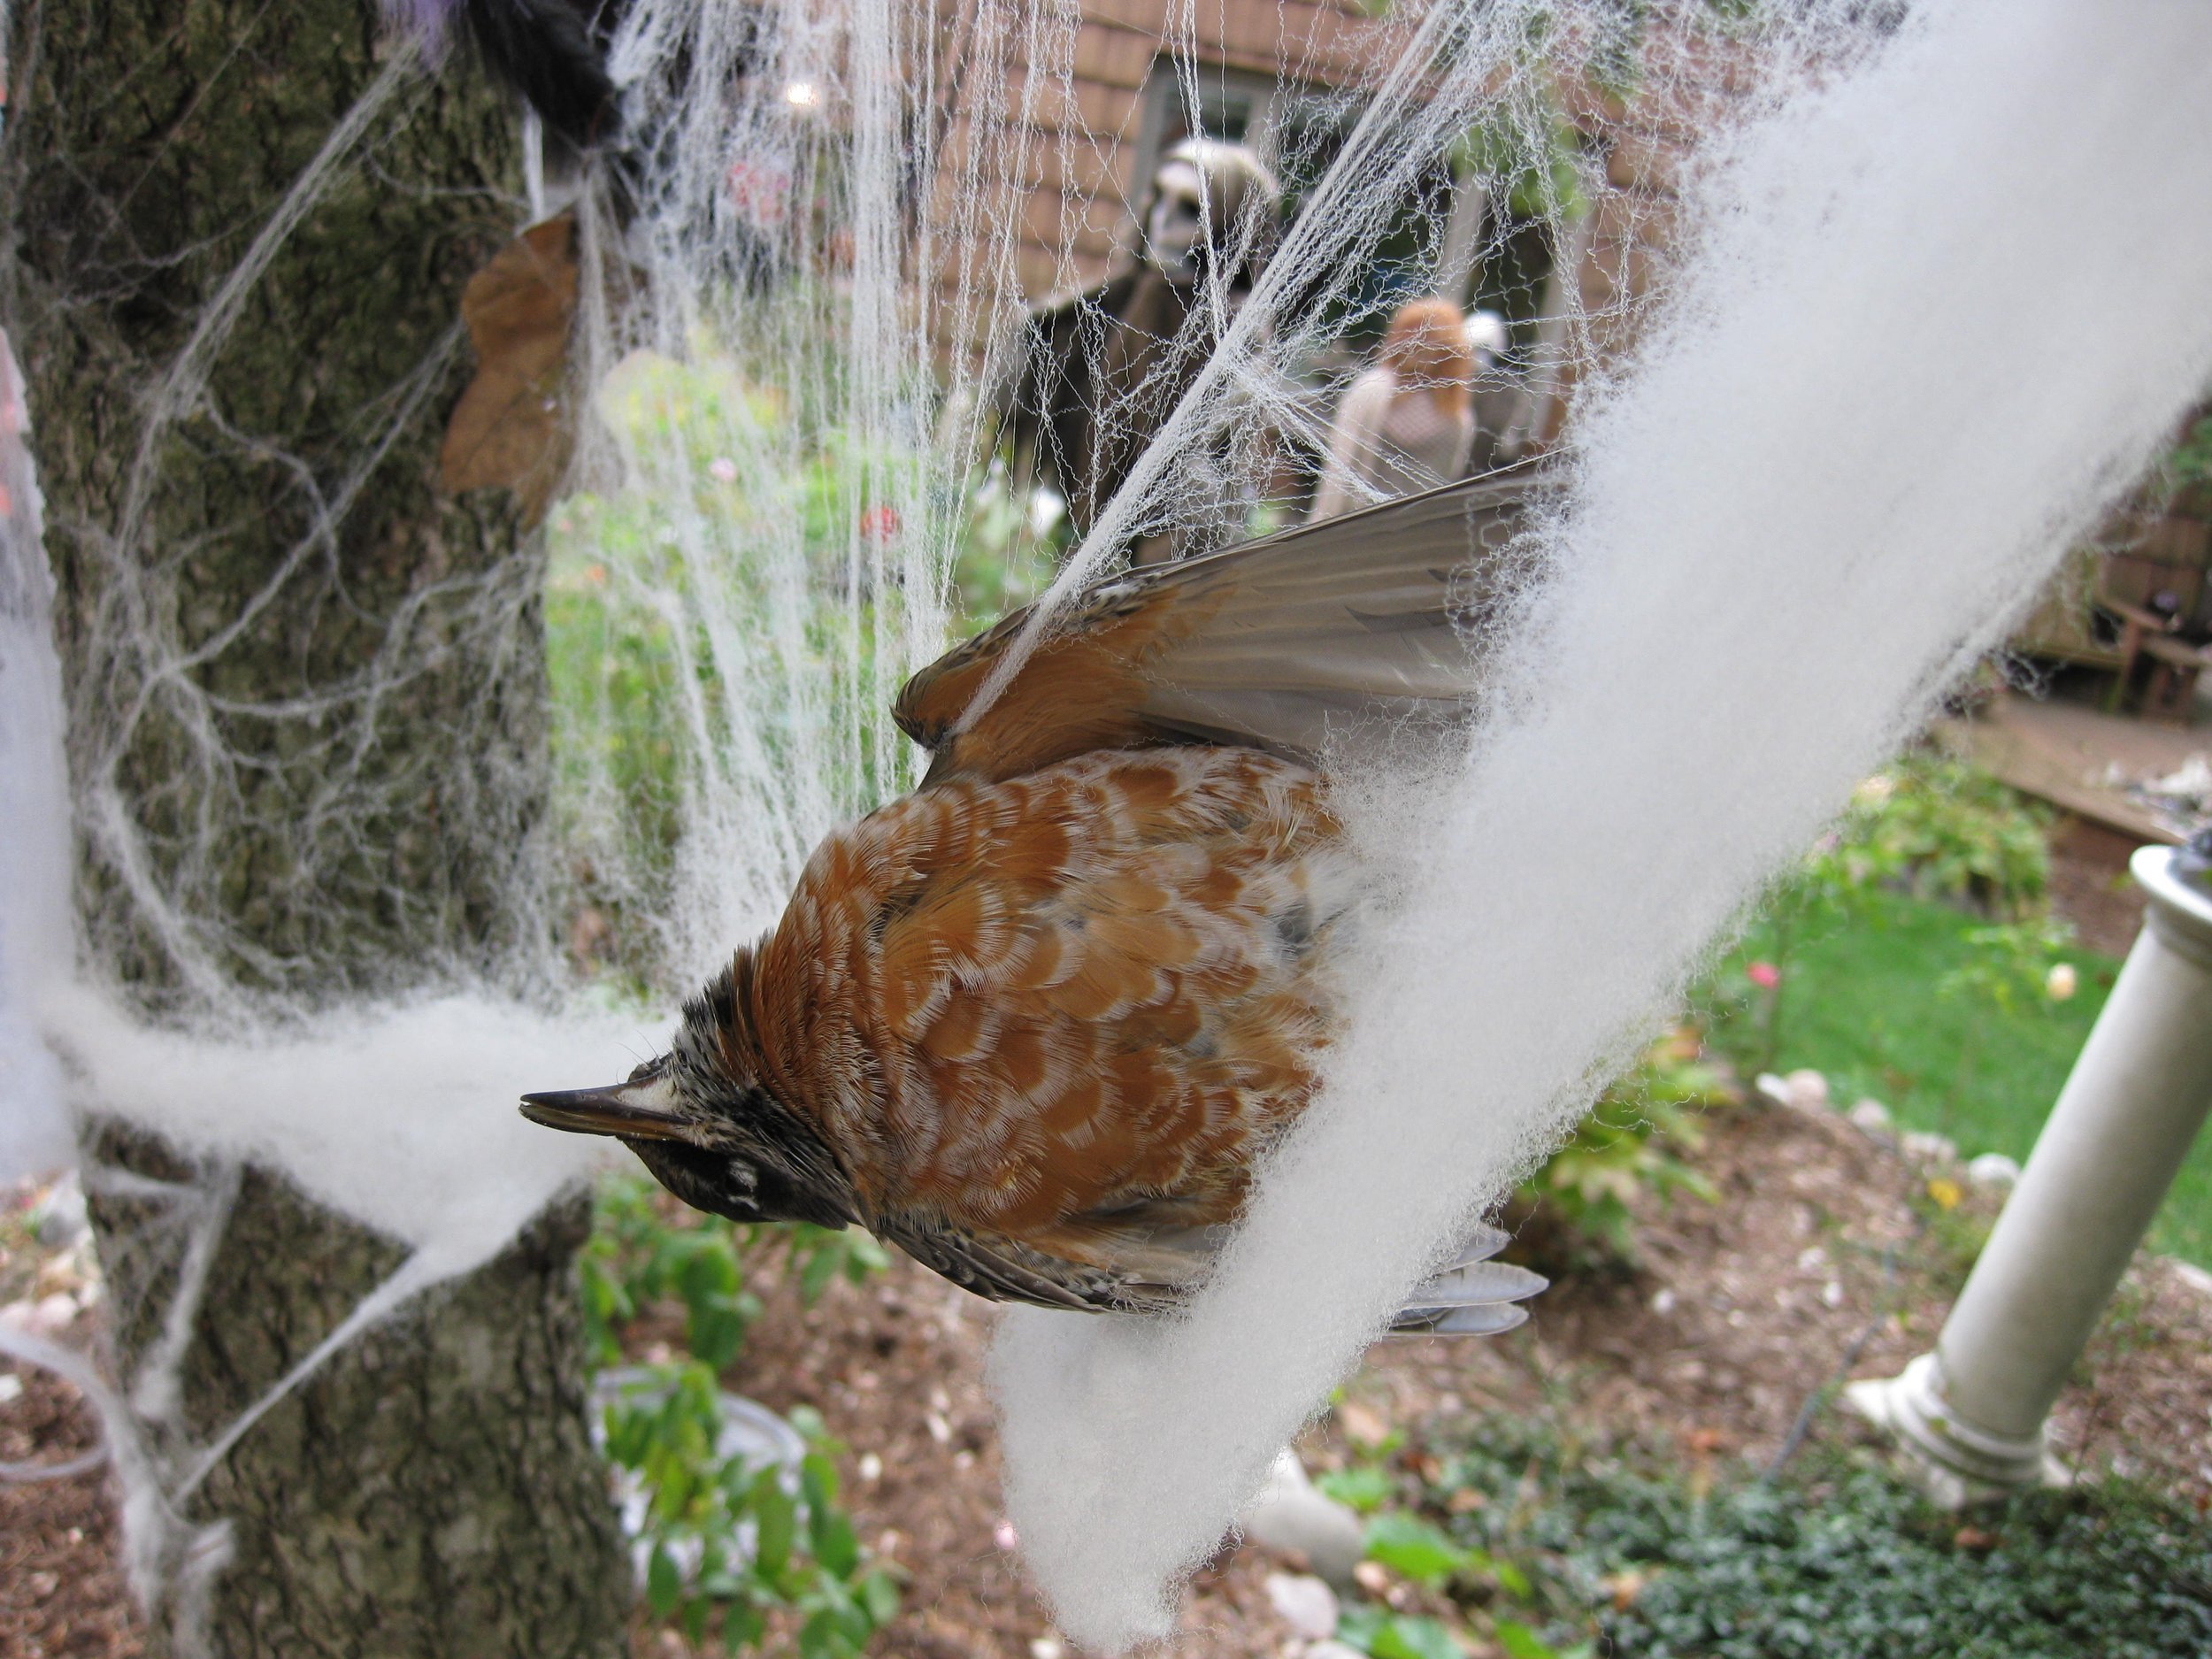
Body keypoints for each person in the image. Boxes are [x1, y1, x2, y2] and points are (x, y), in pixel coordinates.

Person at [1308, 297, 1477, 524]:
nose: (1421, 346)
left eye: (1431, 338)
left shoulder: (1456, 413)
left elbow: (1447, 476)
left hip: (1416, 528)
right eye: (1414, 334)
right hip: (1357, 520)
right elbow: (1342, 462)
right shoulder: (1374, 390)